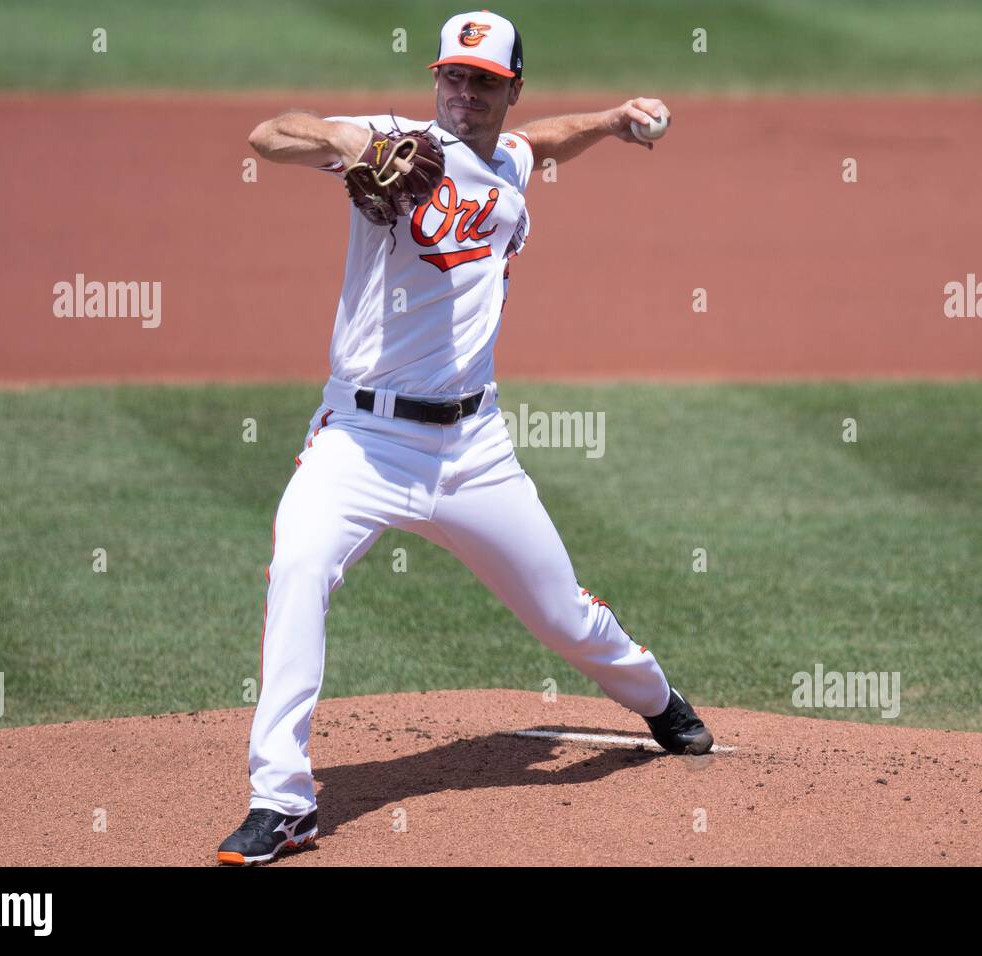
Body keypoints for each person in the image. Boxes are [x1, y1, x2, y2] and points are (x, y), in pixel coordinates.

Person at [217, 9, 713, 866]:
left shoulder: (510, 158)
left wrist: (610, 121)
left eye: (484, 81)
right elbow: (273, 134)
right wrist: (355, 153)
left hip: (474, 449)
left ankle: (657, 696)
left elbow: (543, 143)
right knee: (298, 568)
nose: (464, 92)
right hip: (360, 442)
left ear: (511, 89)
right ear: (433, 79)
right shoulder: (391, 137)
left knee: (564, 618)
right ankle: (281, 799)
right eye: (452, 75)